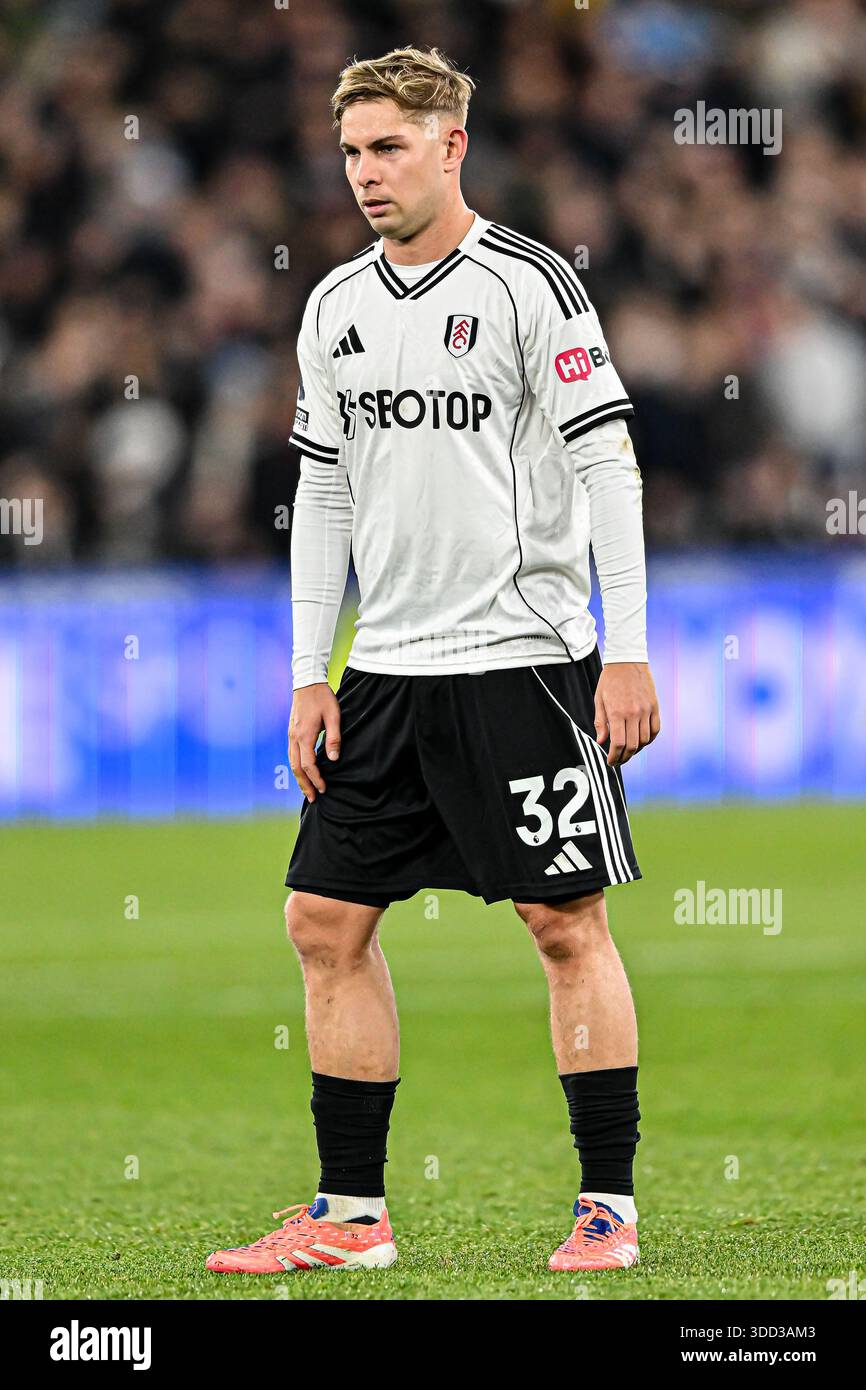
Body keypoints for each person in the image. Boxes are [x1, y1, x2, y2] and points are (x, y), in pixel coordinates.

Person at [207, 45, 660, 1278]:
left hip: (521, 661)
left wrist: (623, 649)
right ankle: (350, 1216)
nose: (363, 172)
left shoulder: (532, 285)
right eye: (350, 150)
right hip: (388, 673)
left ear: (450, 145)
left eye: (387, 147)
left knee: (561, 921)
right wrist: (313, 669)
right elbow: (325, 488)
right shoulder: (334, 305)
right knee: (321, 921)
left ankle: (605, 1207)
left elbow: (604, 467)